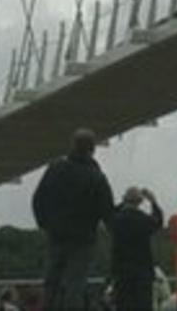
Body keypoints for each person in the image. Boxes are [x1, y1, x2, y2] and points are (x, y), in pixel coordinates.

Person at [31, 128, 114, 311]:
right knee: (75, 286)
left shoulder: (55, 168)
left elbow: (38, 199)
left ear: (73, 145)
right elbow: (107, 212)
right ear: (92, 149)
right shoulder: (97, 177)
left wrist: (45, 224)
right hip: (83, 240)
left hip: (56, 235)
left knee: (51, 283)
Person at [109, 187, 164, 311]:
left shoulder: (117, 219)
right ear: (139, 202)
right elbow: (158, 221)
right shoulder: (144, 220)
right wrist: (153, 202)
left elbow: (109, 213)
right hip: (142, 271)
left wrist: (124, 201)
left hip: (121, 271)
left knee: (123, 305)